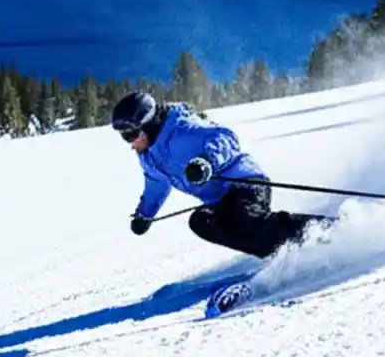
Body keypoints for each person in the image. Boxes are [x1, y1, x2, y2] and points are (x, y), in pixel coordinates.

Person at [112, 91, 332, 258]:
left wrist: (207, 162)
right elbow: (156, 185)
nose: (130, 143)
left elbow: (226, 137)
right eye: (124, 137)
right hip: (220, 200)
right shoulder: (149, 156)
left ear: (148, 124)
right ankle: (281, 253)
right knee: (201, 221)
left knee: (246, 222)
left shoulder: (181, 131)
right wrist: (144, 214)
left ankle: (327, 232)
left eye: (131, 134)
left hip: (244, 182)